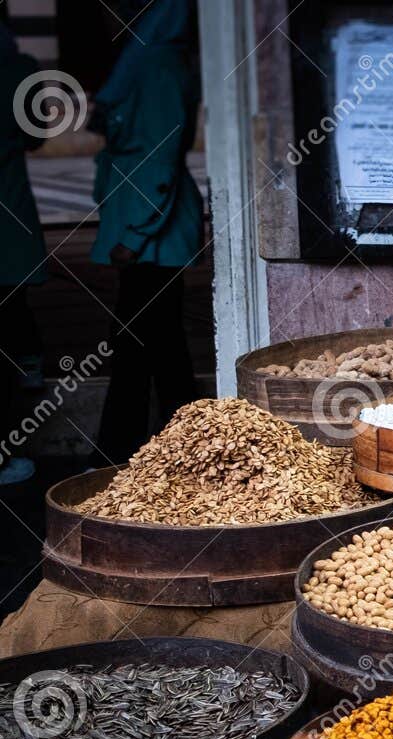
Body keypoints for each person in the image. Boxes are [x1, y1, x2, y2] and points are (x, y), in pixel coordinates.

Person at [91, 0, 201, 465]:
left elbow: (159, 160)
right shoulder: (151, 62)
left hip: (151, 234)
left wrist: (134, 235)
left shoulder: (156, 67)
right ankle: (185, 445)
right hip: (147, 229)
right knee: (157, 343)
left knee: (137, 344)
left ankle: (121, 450)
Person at [0, 21, 48, 485]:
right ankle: (28, 361)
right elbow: (36, 134)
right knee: (11, 297)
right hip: (7, 203)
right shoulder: (19, 68)